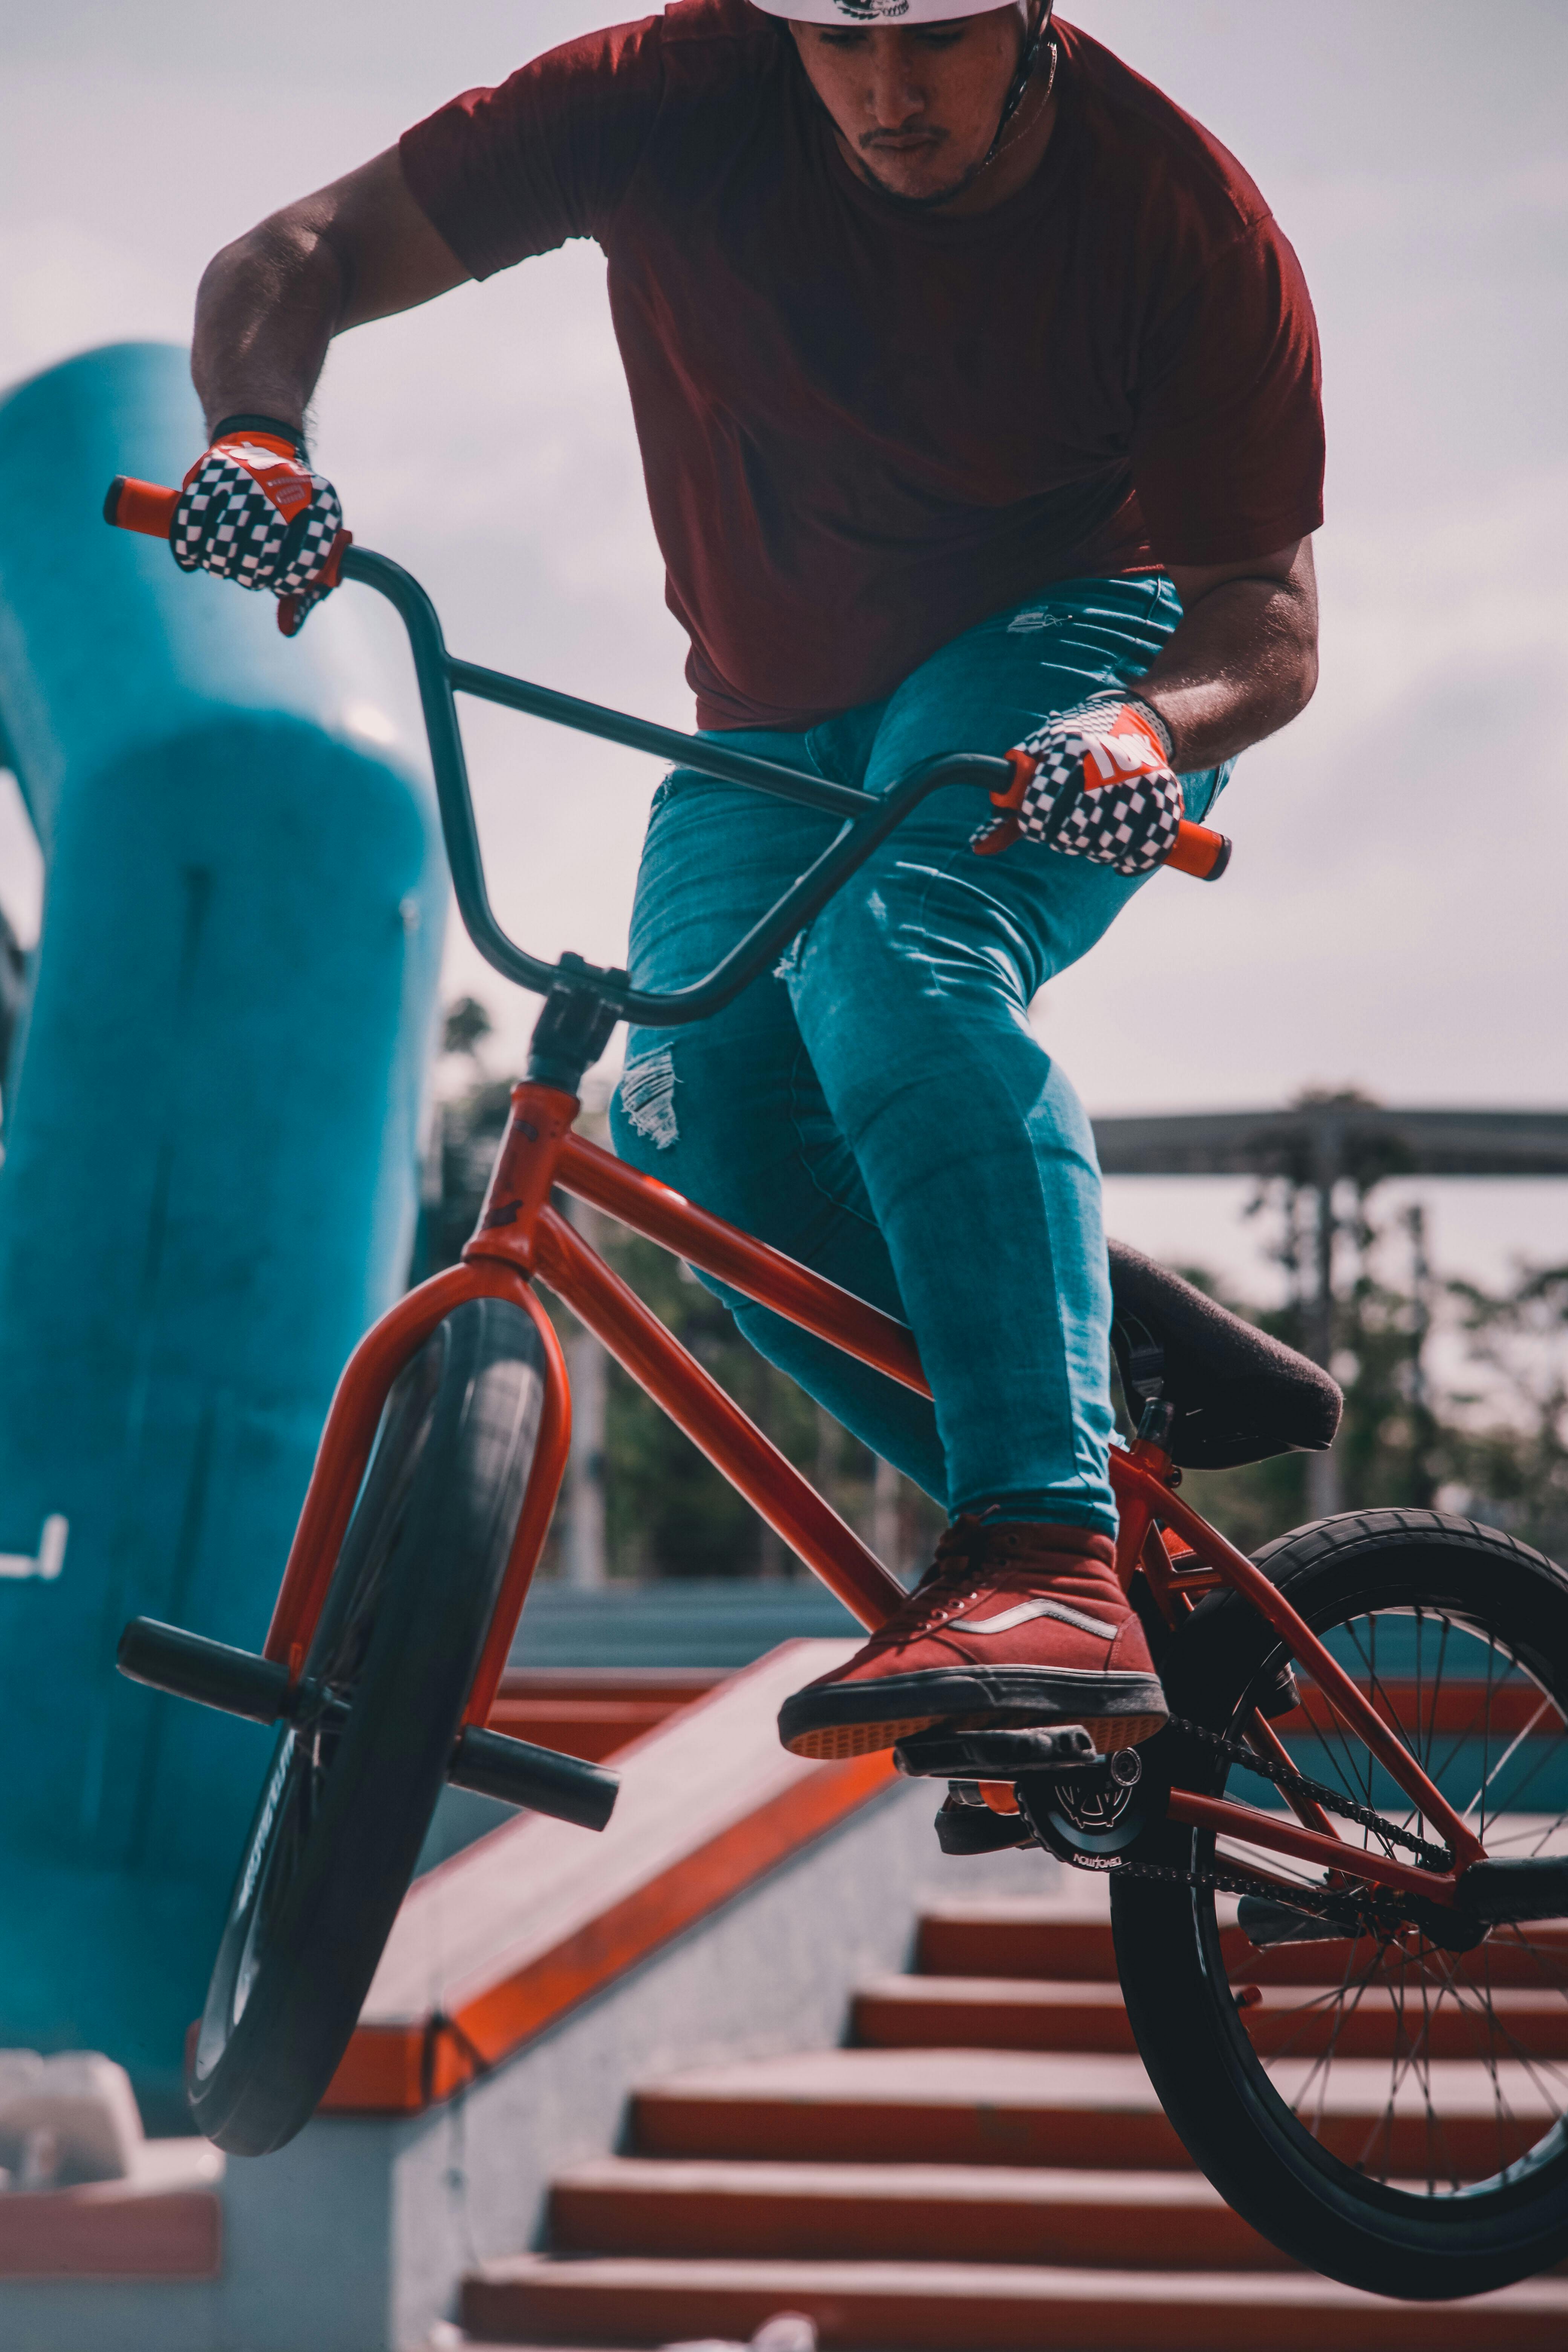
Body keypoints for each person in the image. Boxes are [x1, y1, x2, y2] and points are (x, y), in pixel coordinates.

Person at [179, 0, 1321, 1767]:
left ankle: (1044, 1550)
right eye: (837, 45)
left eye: (931, 42)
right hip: (767, 712)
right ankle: (1092, 1460)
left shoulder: (1168, 215)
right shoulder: (664, 96)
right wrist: (257, 433)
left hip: (1065, 652)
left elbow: (1266, 618)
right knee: (689, 1109)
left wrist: (1145, 733)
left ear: (1023, 16)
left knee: (899, 951)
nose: (883, 95)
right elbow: (299, 251)